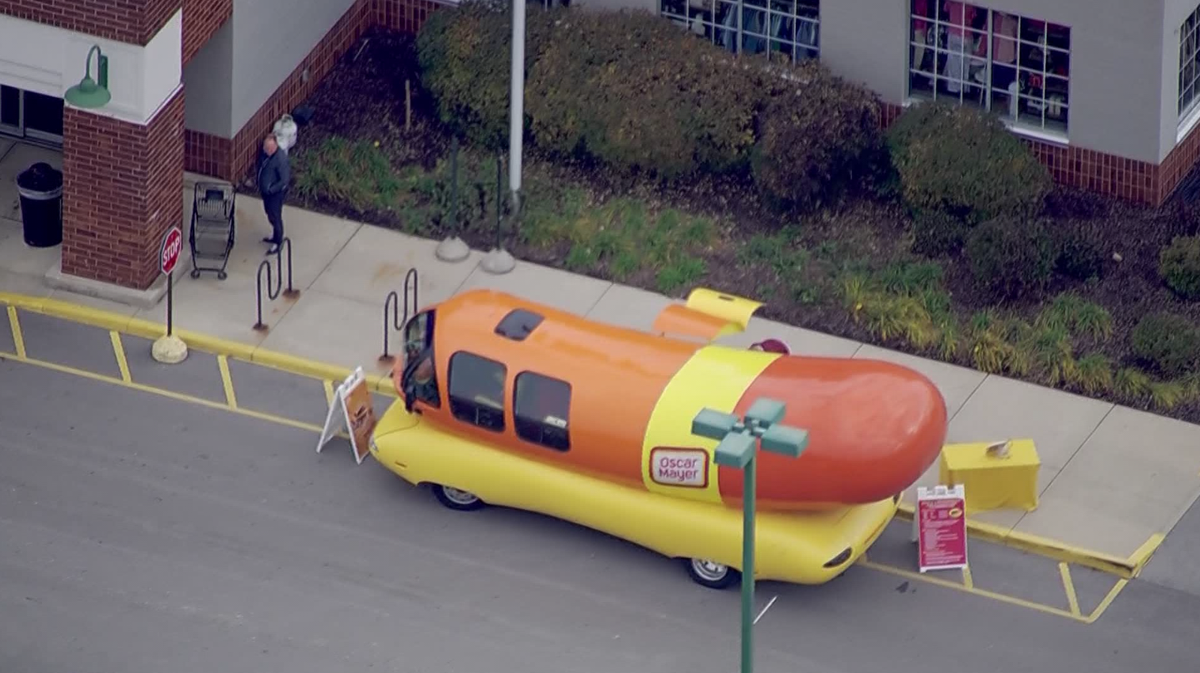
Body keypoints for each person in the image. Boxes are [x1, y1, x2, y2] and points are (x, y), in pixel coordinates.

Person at [256, 133, 290, 255]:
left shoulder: (280, 159)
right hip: (266, 192)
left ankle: (278, 241)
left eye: (269, 148)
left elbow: (284, 180)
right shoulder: (266, 155)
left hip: (275, 194)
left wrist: (271, 189)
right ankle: (275, 236)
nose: (266, 150)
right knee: (269, 213)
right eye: (265, 148)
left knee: (275, 216)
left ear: (275, 146)